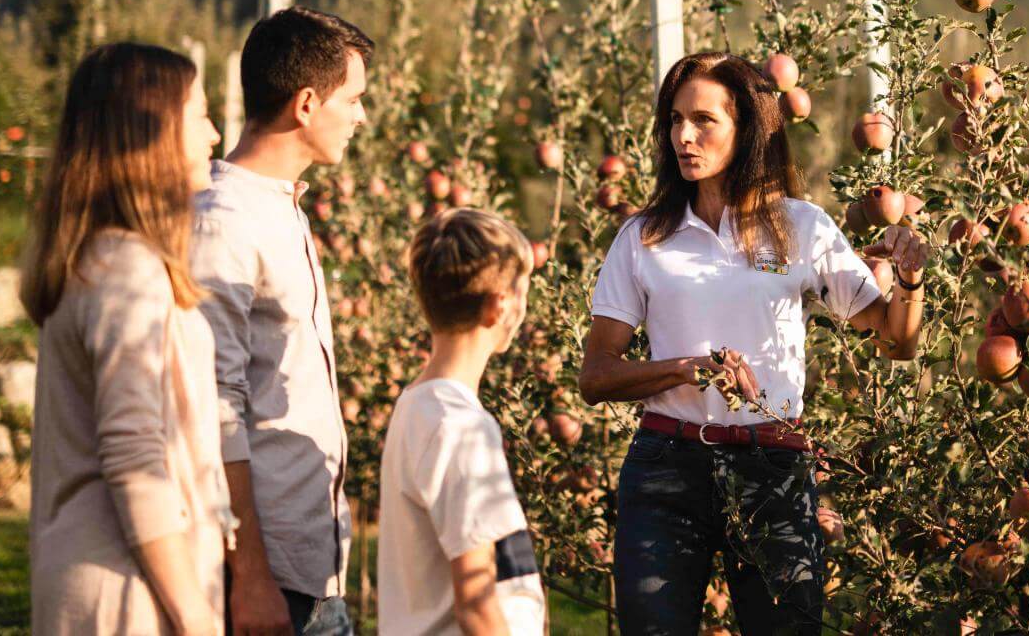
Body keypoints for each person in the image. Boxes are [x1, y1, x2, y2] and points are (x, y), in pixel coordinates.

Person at [580, 52, 929, 635]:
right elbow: (596, 377)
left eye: (703, 120)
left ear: (749, 129)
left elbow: (896, 342)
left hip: (773, 467)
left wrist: (912, 281)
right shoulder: (644, 237)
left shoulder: (803, 227)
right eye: (674, 119)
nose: (683, 136)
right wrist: (686, 370)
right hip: (668, 467)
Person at [23, 42, 233, 635]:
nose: (214, 135)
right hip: (130, 592)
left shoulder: (104, 259)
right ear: (150, 133)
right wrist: (195, 616)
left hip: (124, 578)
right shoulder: (125, 268)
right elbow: (134, 455)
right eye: (199, 116)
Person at [195, 7, 374, 636]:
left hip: (311, 568)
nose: (360, 116)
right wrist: (249, 578)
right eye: (352, 99)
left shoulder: (282, 211)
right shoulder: (225, 223)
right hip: (265, 577)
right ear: (305, 104)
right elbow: (214, 407)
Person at [378, 208, 548, 635]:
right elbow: (476, 603)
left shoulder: (417, 407)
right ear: (500, 305)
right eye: (522, 290)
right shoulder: (462, 427)